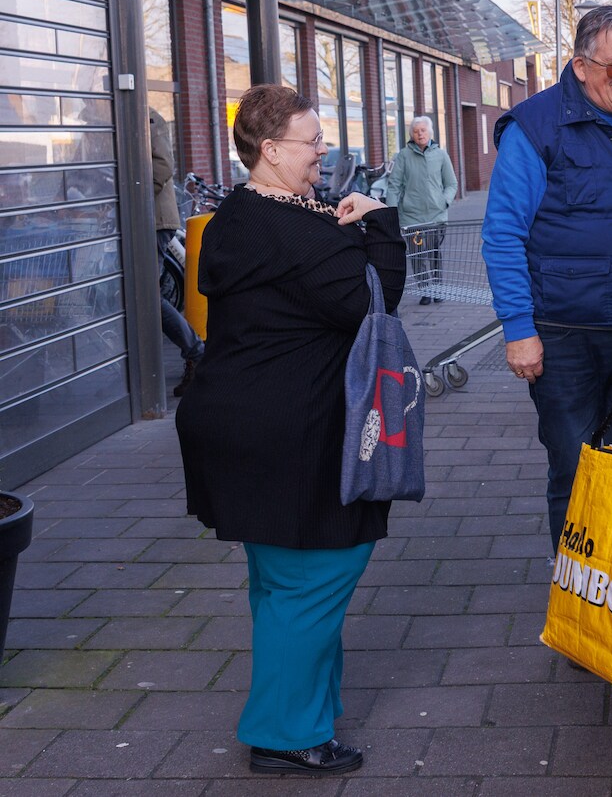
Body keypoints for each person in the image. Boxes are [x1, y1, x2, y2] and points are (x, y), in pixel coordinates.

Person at [175, 85, 405, 776]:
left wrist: (342, 227)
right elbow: (374, 304)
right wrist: (380, 224)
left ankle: (309, 713)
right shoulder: (297, 229)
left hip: (244, 423)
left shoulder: (239, 215)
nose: (324, 150)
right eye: (313, 140)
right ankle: (285, 734)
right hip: (293, 431)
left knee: (282, 581)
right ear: (271, 150)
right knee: (316, 576)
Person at [481, 5, 612, 553]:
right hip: (565, 338)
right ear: (582, 66)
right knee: (576, 470)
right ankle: (583, 590)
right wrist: (518, 329)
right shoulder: (535, 126)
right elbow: (502, 234)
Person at [149, 108, 204, 396]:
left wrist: (131, 198)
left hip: (154, 220)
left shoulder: (146, 117)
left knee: (148, 297)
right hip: (142, 221)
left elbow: (162, 167)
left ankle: (196, 352)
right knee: (144, 297)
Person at [385, 115, 458, 306]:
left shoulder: (441, 155)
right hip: (412, 217)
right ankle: (425, 290)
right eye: (416, 131)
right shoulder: (403, 156)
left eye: (423, 130)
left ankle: (438, 289)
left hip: (436, 216)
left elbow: (451, 184)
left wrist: (444, 202)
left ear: (430, 132)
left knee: (434, 253)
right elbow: (393, 186)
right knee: (417, 257)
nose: (420, 134)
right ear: (412, 135)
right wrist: (391, 213)